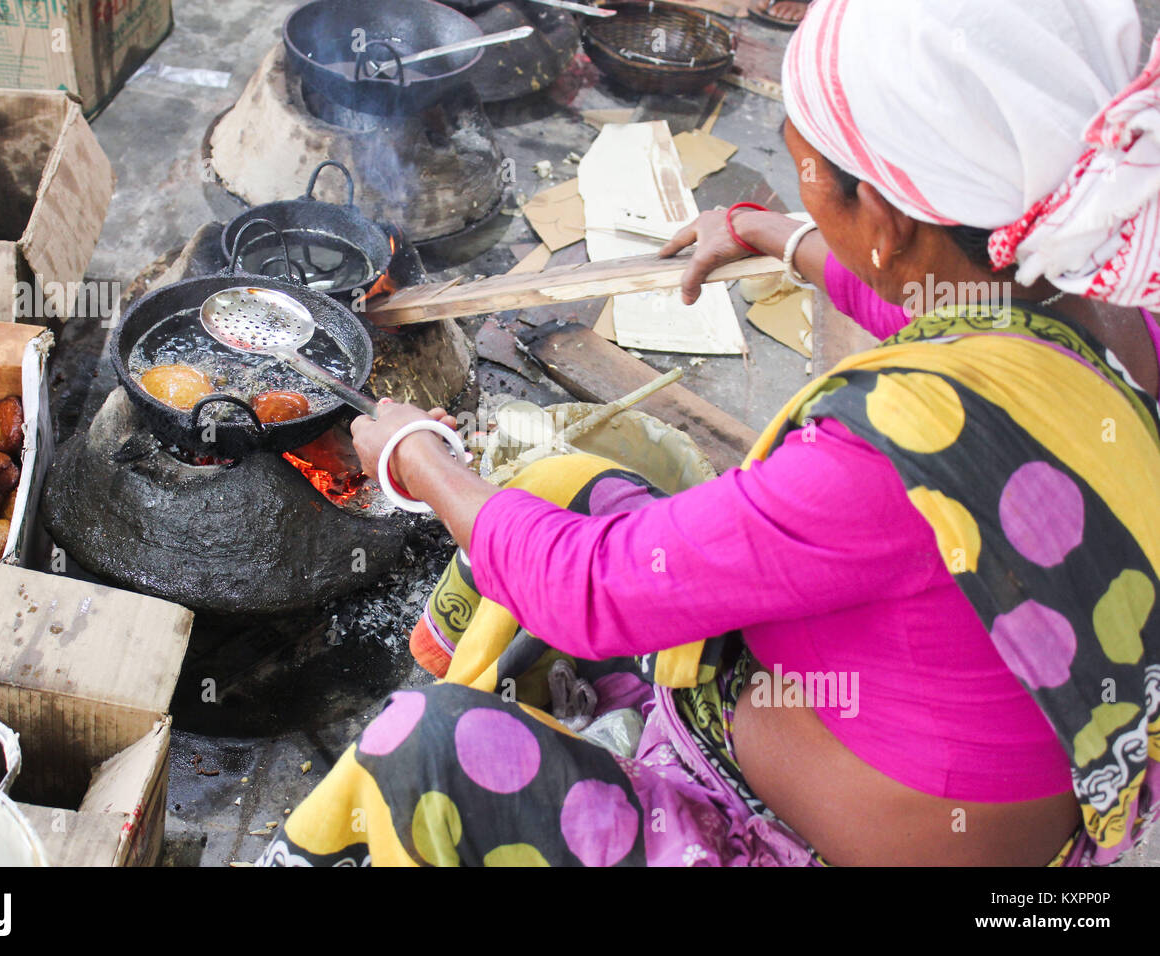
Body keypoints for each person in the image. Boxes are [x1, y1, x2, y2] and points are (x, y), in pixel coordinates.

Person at [260, 0, 1160, 867]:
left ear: (881, 220)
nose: (797, 179)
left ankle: (373, 815)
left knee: (423, 748)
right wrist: (781, 236)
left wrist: (417, 458)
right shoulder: (1109, 309)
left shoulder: (883, 458)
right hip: (972, 742)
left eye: (807, 167)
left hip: (796, 835)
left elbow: (590, 587)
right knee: (558, 486)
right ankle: (479, 672)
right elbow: (947, 296)